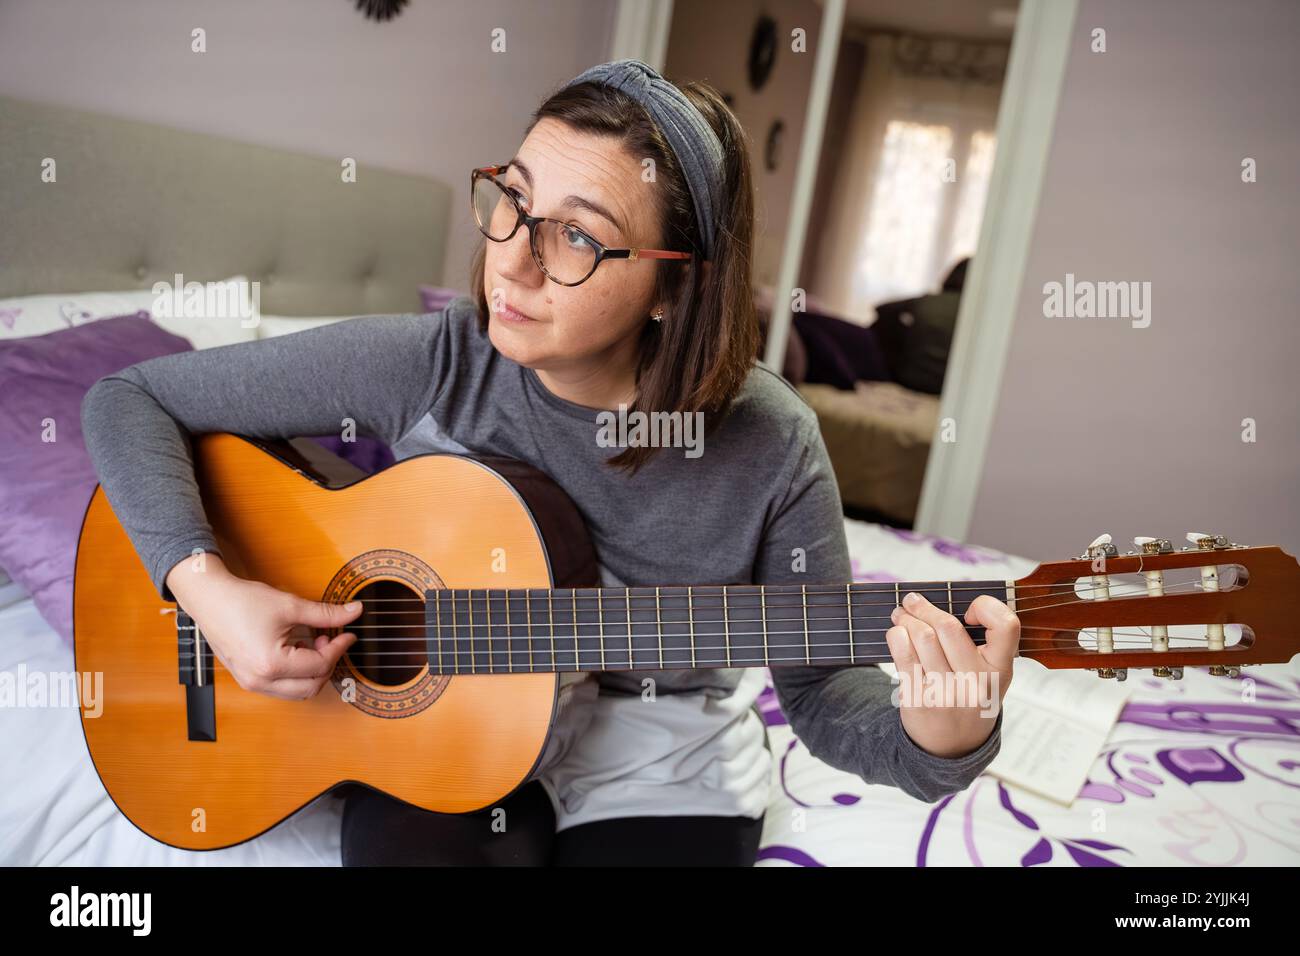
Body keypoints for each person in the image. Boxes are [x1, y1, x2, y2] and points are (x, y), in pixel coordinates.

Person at [80, 59, 1018, 867]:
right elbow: (128, 399)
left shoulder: (771, 441)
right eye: (515, 201)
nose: (512, 265)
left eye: (575, 232)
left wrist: (939, 735)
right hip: (439, 738)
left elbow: (819, 690)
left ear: (675, 283)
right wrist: (207, 591)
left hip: (658, 761)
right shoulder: (436, 360)